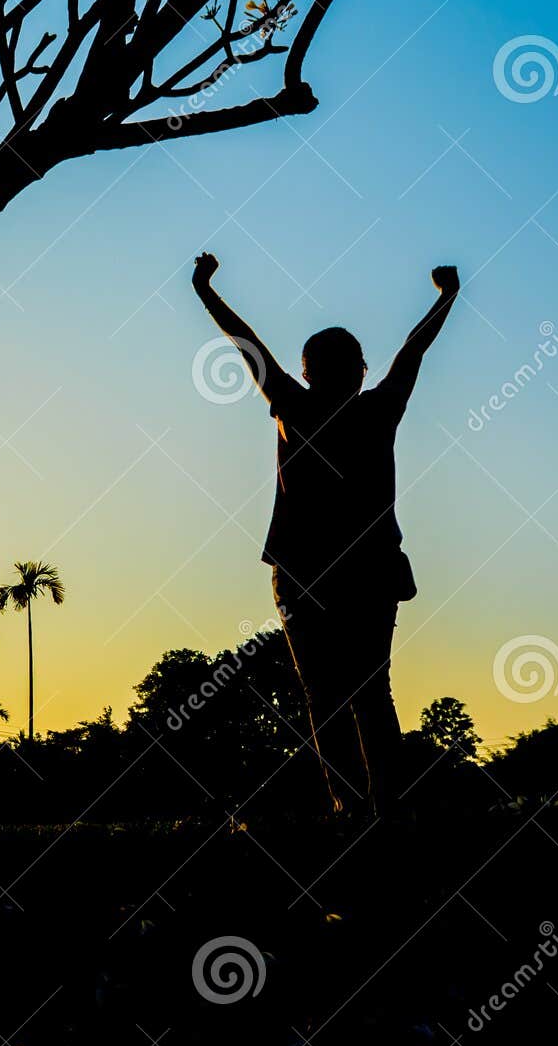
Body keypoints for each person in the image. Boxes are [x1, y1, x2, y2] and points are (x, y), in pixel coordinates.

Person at [191, 253, 461, 817]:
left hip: (306, 572)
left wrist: (205, 288)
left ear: (308, 370)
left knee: (328, 696)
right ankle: (380, 809)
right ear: (362, 369)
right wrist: (445, 297)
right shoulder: (377, 408)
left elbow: (246, 341)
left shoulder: (293, 404)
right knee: (369, 692)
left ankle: (354, 807)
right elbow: (413, 351)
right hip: (358, 571)